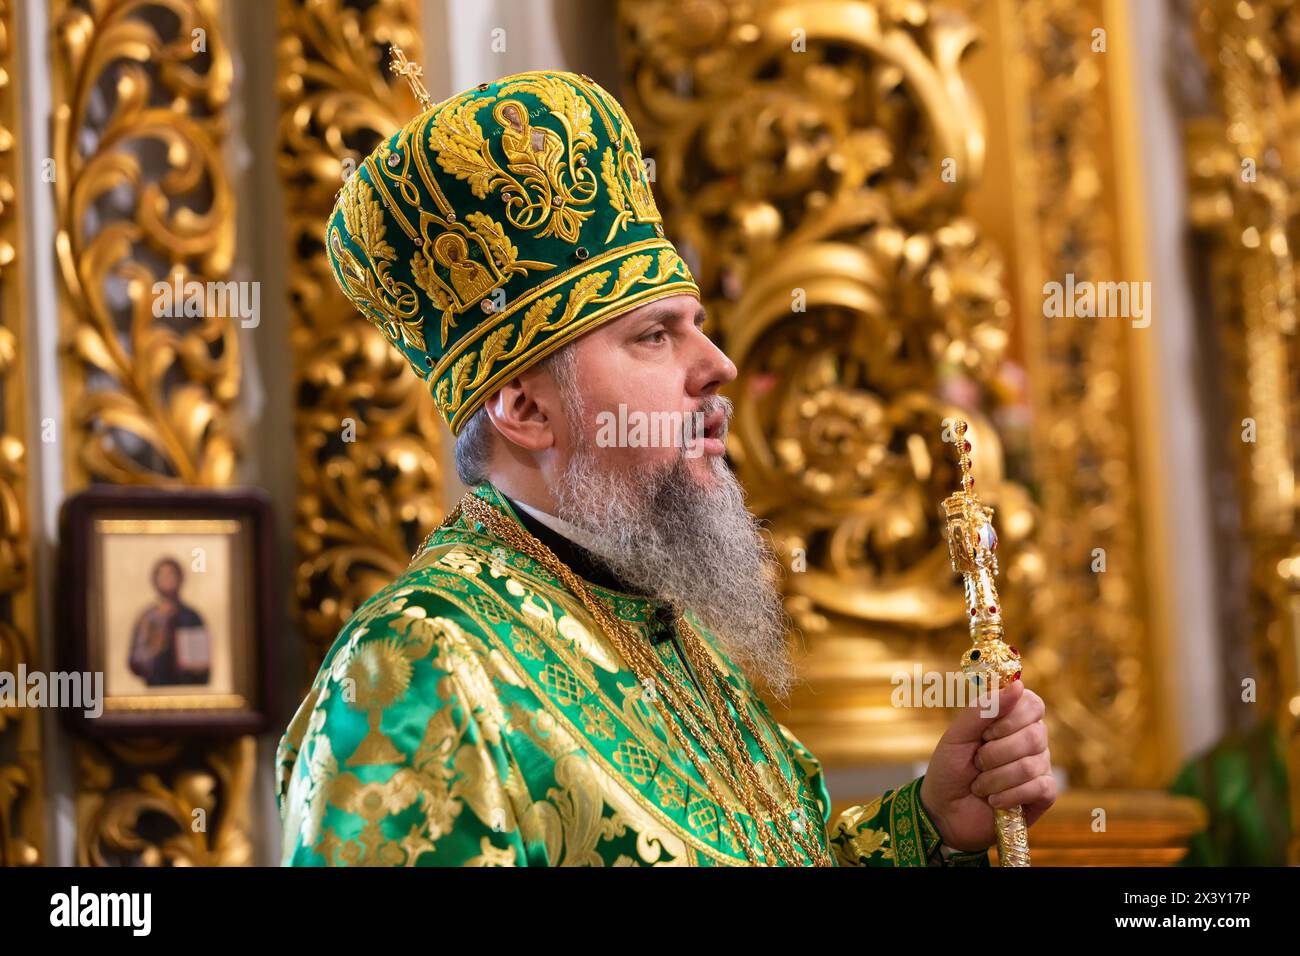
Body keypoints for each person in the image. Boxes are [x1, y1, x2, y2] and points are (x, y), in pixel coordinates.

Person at [276, 65, 1056, 866]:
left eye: (698, 325)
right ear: (526, 409)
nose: (717, 364)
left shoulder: (674, 633)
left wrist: (927, 824)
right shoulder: (417, 676)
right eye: (654, 336)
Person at [128, 556, 211, 686]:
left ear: (180, 578)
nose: (166, 579)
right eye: (162, 575)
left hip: (188, 690)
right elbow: (135, 663)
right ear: (155, 580)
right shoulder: (147, 618)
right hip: (155, 691)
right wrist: (152, 651)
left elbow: (202, 667)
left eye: (171, 574)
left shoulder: (191, 617)